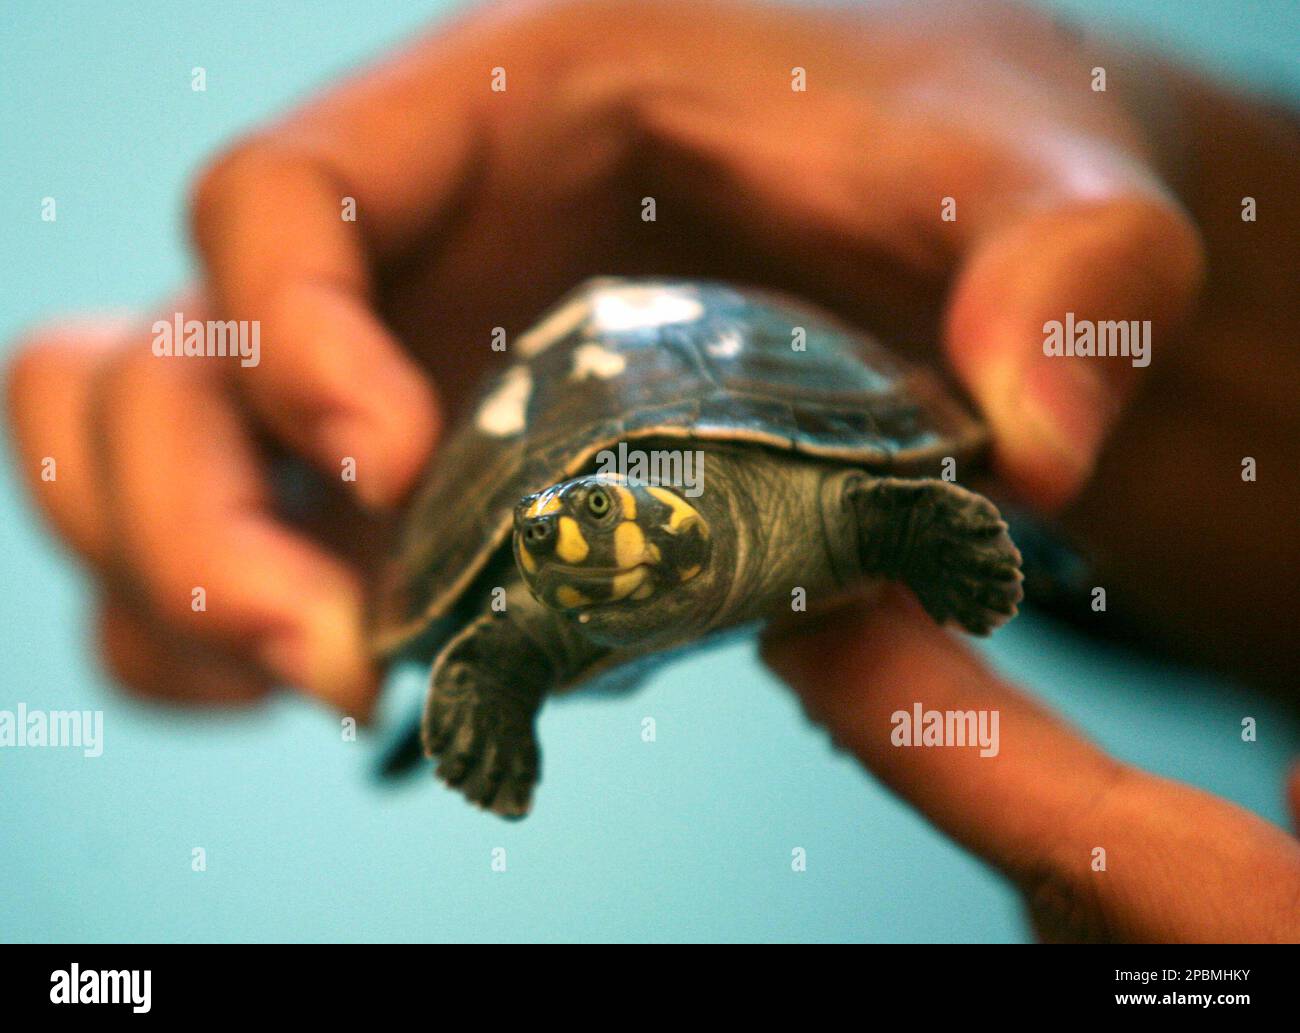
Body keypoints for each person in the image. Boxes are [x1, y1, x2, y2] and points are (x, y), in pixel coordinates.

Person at [6, 0, 1298, 940]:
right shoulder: (543, 586)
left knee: (920, 510)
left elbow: (885, 485)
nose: (573, 542)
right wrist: (483, 682)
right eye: (555, 536)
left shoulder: (788, 494)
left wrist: (931, 521)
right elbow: (508, 615)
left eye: (599, 517)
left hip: (802, 416)